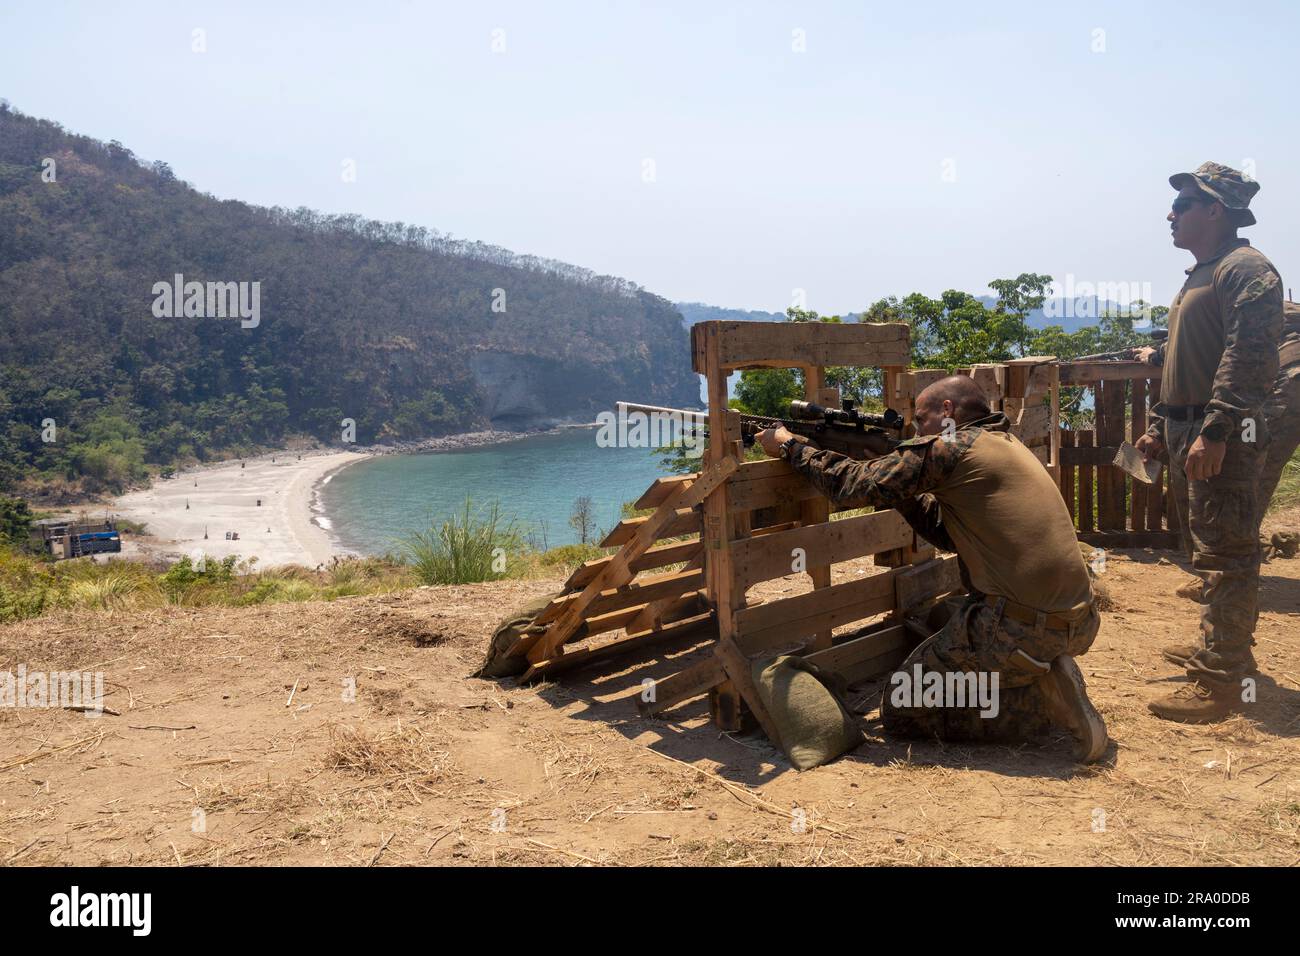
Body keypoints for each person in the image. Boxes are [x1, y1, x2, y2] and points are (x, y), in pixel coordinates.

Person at [757, 375, 1107, 762]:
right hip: (1076, 621)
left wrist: (790, 446)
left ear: (947, 412)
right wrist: (900, 491)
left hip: (1018, 629)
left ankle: (1040, 704)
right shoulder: (1004, 444)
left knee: (902, 708)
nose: (915, 431)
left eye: (921, 420)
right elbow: (946, 535)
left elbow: (851, 487)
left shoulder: (952, 446)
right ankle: (1039, 676)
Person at [1133, 162, 1284, 722]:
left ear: (1216, 209)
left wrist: (1217, 430)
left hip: (1221, 435)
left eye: (1185, 204)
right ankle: (1216, 646)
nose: (1171, 214)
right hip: (1187, 429)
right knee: (1207, 550)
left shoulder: (1247, 270)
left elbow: (1248, 360)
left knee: (1228, 557)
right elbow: (1184, 362)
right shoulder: (1202, 272)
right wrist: (1157, 426)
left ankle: (1222, 678)